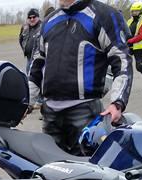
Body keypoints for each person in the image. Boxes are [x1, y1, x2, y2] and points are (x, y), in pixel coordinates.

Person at [28, 0, 133, 153]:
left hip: (85, 113)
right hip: (50, 115)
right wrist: (27, 102)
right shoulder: (49, 21)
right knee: (50, 165)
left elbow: (121, 60)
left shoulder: (104, 15)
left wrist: (117, 103)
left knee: (85, 166)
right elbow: (37, 65)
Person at [19, 8, 43, 75]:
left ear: (38, 17)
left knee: (38, 77)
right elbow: (21, 39)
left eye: (34, 17)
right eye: (29, 17)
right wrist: (26, 50)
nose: (32, 19)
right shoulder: (24, 27)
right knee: (29, 76)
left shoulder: (43, 27)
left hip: (39, 59)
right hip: (29, 58)